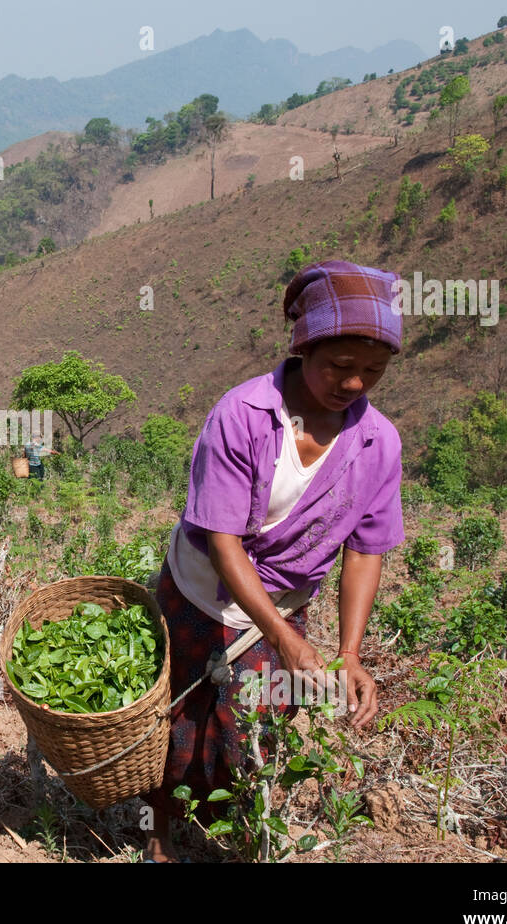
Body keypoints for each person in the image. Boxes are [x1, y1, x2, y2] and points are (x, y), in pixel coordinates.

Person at [142, 260, 405, 862]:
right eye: (340, 367)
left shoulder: (377, 444)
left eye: (373, 371)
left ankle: (230, 835)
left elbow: (365, 549)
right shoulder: (243, 416)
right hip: (203, 588)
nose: (356, 384)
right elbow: (223, 541)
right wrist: (286, 640)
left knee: (251, 729)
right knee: (179, 713)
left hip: (281, 603)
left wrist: (349, 653)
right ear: (303, 346)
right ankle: (160, 833)